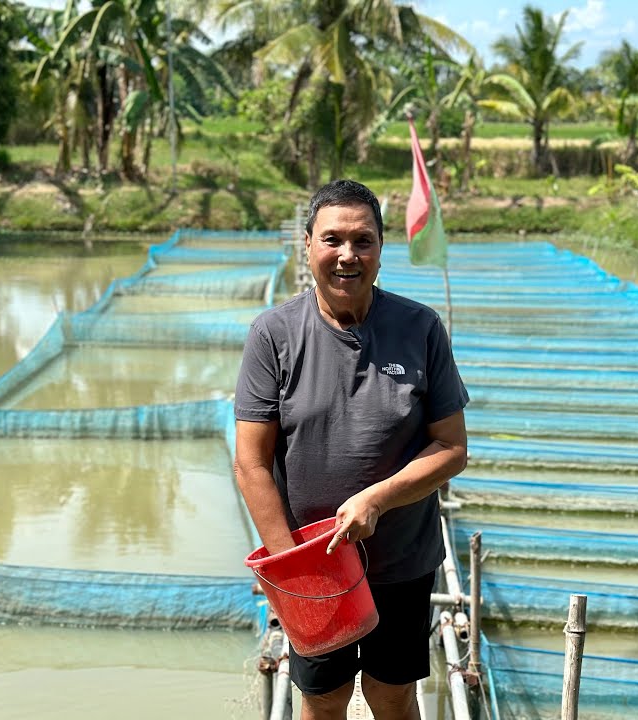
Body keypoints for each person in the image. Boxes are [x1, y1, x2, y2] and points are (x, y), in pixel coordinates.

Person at [234, 179, 469, 720]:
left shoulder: (420, 328)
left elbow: (452, 447)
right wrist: (294, 572)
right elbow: (251, 463)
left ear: (382, 249)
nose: (347, 256)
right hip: (315, 570)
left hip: (402, 560)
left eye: (362, 241)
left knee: (392, 695)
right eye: (332, 240)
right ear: (308, 248)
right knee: (322, 699)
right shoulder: (273, 334)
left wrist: (378, 499)